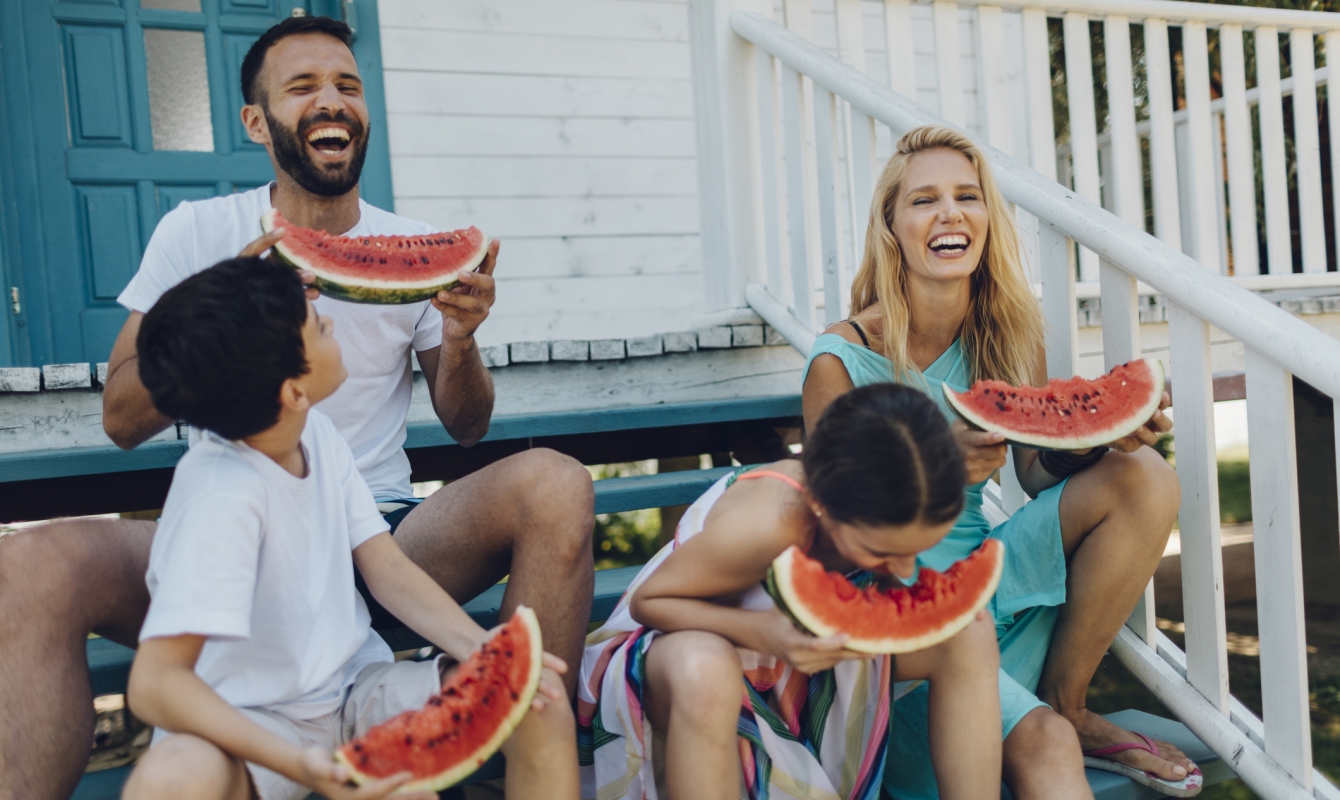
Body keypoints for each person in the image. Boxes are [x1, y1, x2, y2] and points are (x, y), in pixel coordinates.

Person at [0, 17, 593, 800]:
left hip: (384, 529)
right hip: (239, 538)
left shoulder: (406, 250)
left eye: (348, 84)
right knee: (29, 564)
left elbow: (467, 426)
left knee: (557, 481)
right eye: (303, 85)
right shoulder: (197, 235)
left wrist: (458, 339)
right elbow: (120, 418)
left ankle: (498, 756)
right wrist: (224, 311)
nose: (332, 100)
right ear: (256, 120)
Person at [802, 125, 1197, 800]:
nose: (950, 212)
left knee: (1145, 478)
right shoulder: (839, 360)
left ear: (987, 218)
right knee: (1042, 742)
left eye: (968, 195)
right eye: (924, 200)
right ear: (892, 226)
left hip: (988, 579)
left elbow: (1035, 472)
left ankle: (1068, 700)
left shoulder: (1009, 333)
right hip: (902, 619)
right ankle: (1047, 722)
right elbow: (833, 536)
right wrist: (933, 467)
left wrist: (1102, 437)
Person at [120, 257, 576, 800]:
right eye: (317, 328)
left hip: (350, 694)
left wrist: (484, 650)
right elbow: (154, 686)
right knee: (171, 781)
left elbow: (385, 568)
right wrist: (301, 765)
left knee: (538, 700)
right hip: (251, 723)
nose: (331, 324)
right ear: (293, 391)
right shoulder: (220, 497)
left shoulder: (314, 434)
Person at [579, 383, 1003, 800]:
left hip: (794, 656)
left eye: (917, 551)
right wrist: (764, 632)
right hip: (683, 647)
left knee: (969, 633)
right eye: (882, 551)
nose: (906, 570)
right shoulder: (769, 523)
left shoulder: (888, 491)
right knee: (704, 669)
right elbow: (649, 601)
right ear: (822, 503)